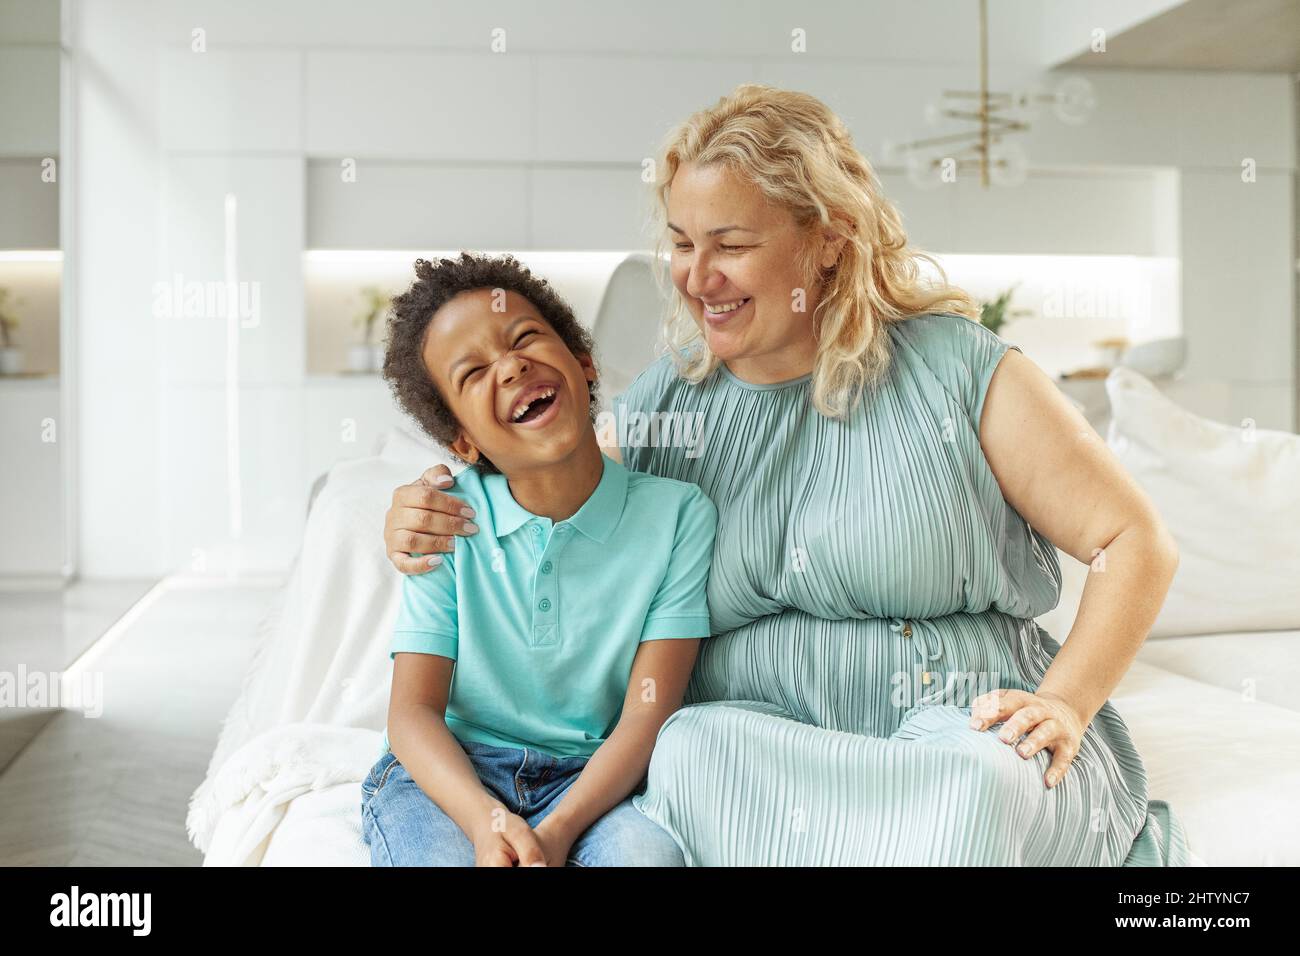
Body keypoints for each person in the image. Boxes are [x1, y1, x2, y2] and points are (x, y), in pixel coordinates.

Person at [380, 85, 1192, 865]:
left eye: (731, 245)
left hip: (958, 728)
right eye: (682, 243)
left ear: (828, 237)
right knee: (687, 753)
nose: (697, 278)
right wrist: (421, 510)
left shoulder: (959, 370)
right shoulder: (671, 397)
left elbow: (1135, 540)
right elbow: (560, 495)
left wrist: (1066, 702)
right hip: (755, 744)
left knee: (970, 783)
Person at [362, 252, 718, 866]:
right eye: (472, 372)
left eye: (524, 337)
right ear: (463, 441)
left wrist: (556, 832)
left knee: (647, 858)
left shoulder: (678, 517)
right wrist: (485, 822)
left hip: (592, 779)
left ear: (582, 364)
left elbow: (646, 712)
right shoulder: (447, 517)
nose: (511, 366)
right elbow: (413, 713)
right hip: (455, 776)